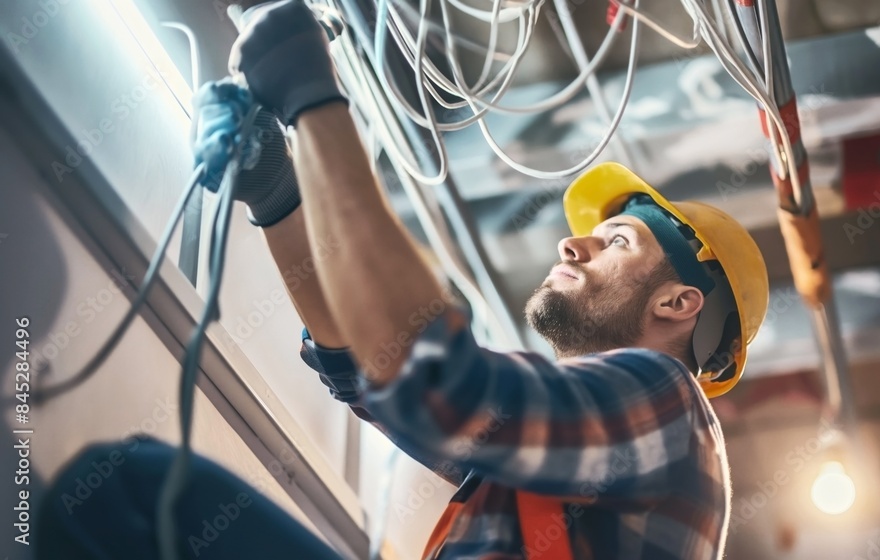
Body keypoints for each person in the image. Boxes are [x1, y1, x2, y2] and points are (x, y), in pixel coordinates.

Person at [37, 1, 769, 558]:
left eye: (615, 241)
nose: (573, 245)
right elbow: (366, 370)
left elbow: (432, 379)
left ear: (680, 302)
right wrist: (278, 196)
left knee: (131, 490)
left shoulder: (668, 404)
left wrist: (308, 90)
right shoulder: (579, 457)